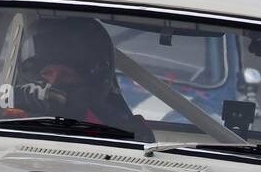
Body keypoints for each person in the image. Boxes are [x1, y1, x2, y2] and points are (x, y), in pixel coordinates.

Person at [11, 17, 155, 142]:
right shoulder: (17, 111)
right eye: (47, 73)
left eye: (66, 75)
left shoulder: (121, 129)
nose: (54, 82)